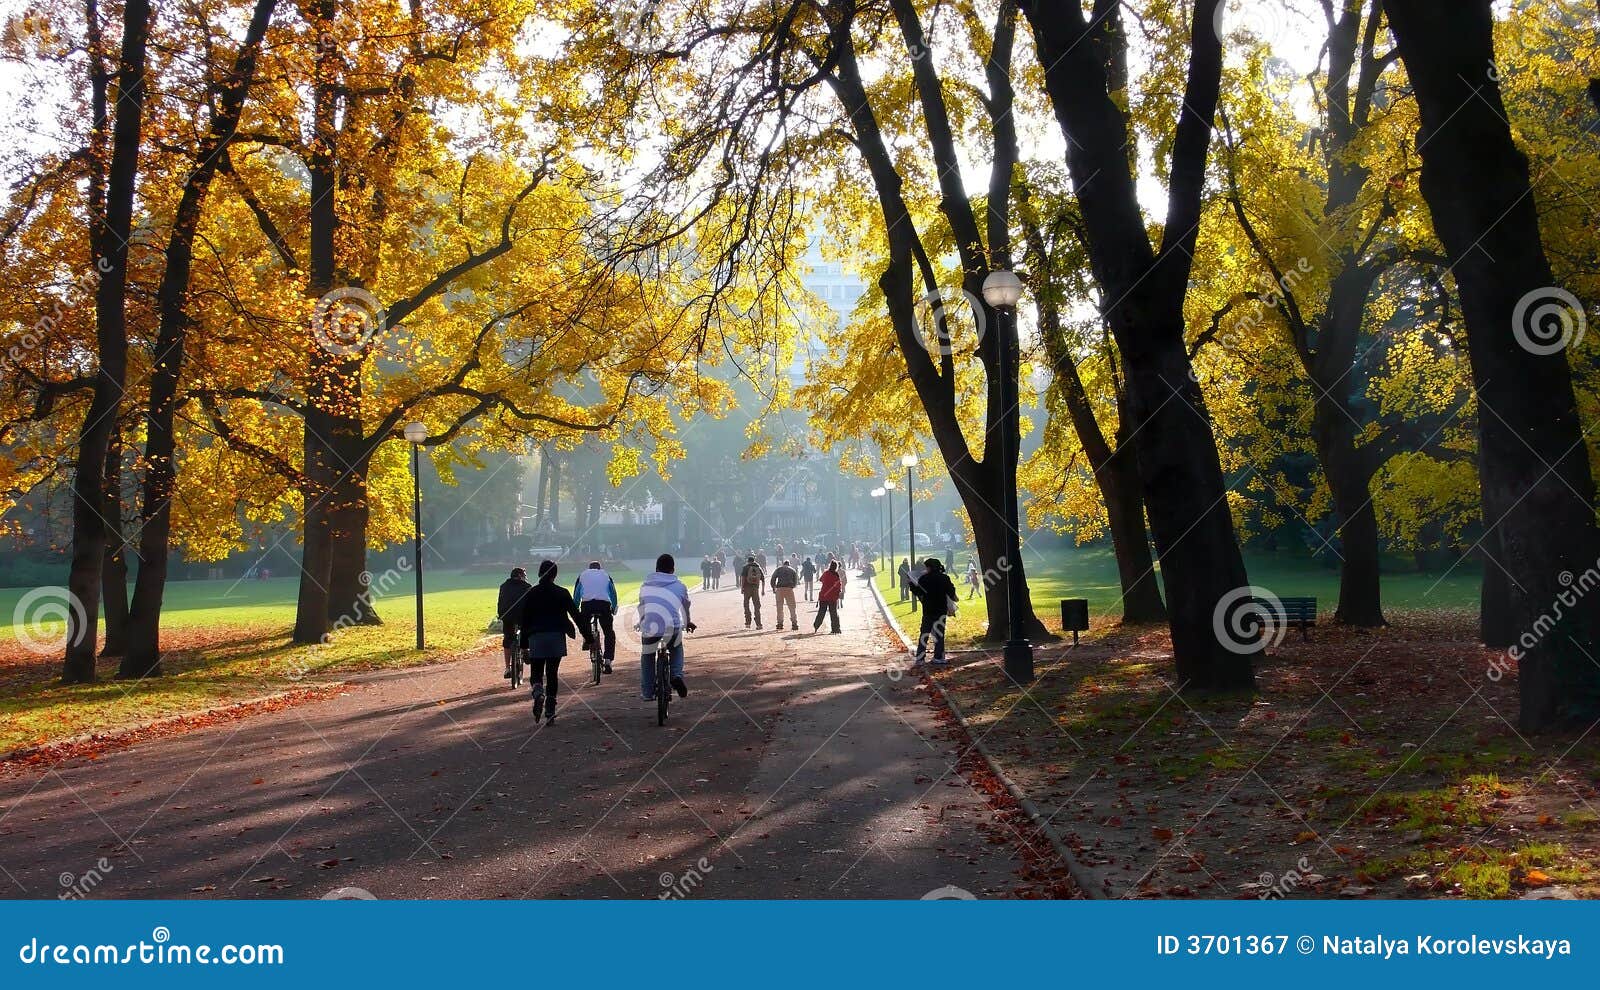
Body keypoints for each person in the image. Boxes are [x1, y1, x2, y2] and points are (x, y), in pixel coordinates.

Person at [519, 560, 588, 722]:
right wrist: (588, 637)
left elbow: (525, 621)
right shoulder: (562, 593)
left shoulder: (531, 593)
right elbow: (576, 616)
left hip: (536, 636)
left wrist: (524, 646)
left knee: (536, 672)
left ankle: (538, 692)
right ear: (555, 575)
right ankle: (550, 709)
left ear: (539, 573)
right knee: (552, 673)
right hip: (556, 636)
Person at [638, 553, 696, 703]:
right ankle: (676, 675)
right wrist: (688, 622)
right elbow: (685, 607)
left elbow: (643, 608)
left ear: (656, 569)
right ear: (673, 569)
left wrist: (641, 622)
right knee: (676, 648)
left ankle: (648, 692)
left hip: (651, 627)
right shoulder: (680, 586)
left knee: (647, 656)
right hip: (672, 627)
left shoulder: (645, 585)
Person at [910, 557, 958, 668]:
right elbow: (951, 593)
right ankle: (938, 657)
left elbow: (918, 592)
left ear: (929, 567)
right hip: (941, 610)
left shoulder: (924, 579)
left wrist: (911, 584)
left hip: (928, 610)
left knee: (924, 633)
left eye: (926, 567)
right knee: (939, 634)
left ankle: (920, 658)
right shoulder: (945, 578)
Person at [572, 560, 618, 674]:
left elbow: (577, 594)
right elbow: (613, 593)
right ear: (599, 568)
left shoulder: (582, 575)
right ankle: (608, 660)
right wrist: (613, 607)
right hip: (603, 605)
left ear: (589, 568)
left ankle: (587, 639)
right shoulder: (606, 575)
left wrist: (576, 607)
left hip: (587, 605)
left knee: (584, 624)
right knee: (609, 633)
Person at [496, 566, 533, 679]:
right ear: (521, 576)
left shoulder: (503, 586)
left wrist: (501, 615)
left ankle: (507, 668)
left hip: (507, 616)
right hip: (522, 616)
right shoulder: (527, 587)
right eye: (525, 576)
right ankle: (525, 649)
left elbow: (500, 602)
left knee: (507, 639)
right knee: (527, 630)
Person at [812, 560, 842, 634]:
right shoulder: (836, 575)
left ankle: (816, 625)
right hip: (832, 597)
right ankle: (835, 629)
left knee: (821, 612)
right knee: (834, 613)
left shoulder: (826, 573)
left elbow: (821, 580)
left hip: (824, 596)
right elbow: (838, 586)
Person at [770, 558, 800, 631]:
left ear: (783, 564)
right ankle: (794, 624)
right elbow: (796, 580)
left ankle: (780, 623)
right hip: (789, 589)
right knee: (792, 607)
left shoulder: (779, 569)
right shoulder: (792, 570)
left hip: (780, 589)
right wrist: (792, 586)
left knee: (779, 607)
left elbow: (773, 578)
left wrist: (773, 588)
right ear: (789, 564)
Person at [739, 554, 766, 629]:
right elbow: (763, 579)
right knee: (757, 606)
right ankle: (759, 624)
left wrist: (742, 588)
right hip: (755, 589)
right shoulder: (758, 567)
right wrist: (763, 590)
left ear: (748, 561)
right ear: (754, 561)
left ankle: (748, 623)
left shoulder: (745, 567)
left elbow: (743, 578)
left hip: (747, 588)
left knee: (746, 605)